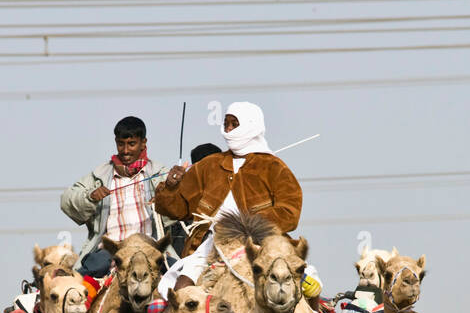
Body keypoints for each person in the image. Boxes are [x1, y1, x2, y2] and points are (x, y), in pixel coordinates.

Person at [154, 101, 303, 295]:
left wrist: (246, 225)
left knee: (296, 288)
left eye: (235, 124)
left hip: (260, 243)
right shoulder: (209, 165)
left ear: (252, 125)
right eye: (226, 124)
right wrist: (170, 187)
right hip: (212, 243)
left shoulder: (274, 167)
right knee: (180, 291)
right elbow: (177, 209)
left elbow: (290, 212)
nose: (229, 130)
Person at [60, 115, 173, 277]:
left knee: (178, 277)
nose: (125, 150)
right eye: (121, 144)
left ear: (143, 143)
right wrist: (90, 196)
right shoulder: (101, 175)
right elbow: (67, 200)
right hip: (110, 250)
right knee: (83, 281)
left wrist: (174, 186)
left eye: (131, 144)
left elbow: (179, 205)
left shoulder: (158, 174)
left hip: (149, 247)